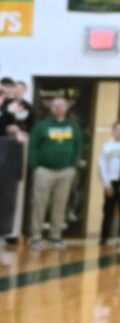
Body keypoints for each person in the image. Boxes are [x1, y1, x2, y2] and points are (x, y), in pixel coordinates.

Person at [28, 95, 82, 249]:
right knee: (39, 204)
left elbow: (78, 146)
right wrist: (36, 166)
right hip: (44, 170)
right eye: (55, 105)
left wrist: (73, 166)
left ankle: (55, 236)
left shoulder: (73, 126)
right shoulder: (42, 126)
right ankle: (36, 237)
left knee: (60, 204)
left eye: (61, 105)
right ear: (50, 108)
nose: (58, 108)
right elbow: (33, 147)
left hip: (66, 172)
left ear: (67, 107)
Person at [0, 78, 29, 244]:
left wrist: (17, 130)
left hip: (8, 157)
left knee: (7, 196)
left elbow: (17, 125)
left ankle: (6, 233)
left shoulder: (17, 106)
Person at [97, 121, 120, 248]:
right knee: (108, 211)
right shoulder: (107, 146)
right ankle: (104, 237)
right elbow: (102, 166)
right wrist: (107, 184)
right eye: (117, 129)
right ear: (113, 132)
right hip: (112, 182)